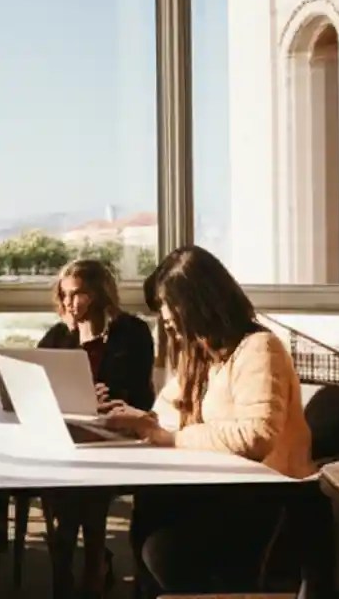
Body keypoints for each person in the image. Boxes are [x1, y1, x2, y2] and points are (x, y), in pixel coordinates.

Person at [103, 246, 315, 598]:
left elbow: (256, 436)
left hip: (266, 498)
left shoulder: (259, 349)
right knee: (149, 513)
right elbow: (169, 414)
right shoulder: (201, 354)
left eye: (167, 302)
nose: (164, 316)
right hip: (218, 487)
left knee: (163, 547)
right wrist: (137, 419)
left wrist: (169, 436)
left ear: (197, 300)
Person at [37, 259, 154, 598]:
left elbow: (139, 393)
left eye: (80, 294)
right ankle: (90, 560)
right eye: (66, 295)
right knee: (73, 472)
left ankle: (75, 560)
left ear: (100, 294)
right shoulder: (59, 336)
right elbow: (39, 380)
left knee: (80, 480)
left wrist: (108, 396)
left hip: (120, 431)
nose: (71, 303)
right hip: (72, 432)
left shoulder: (131, 331)